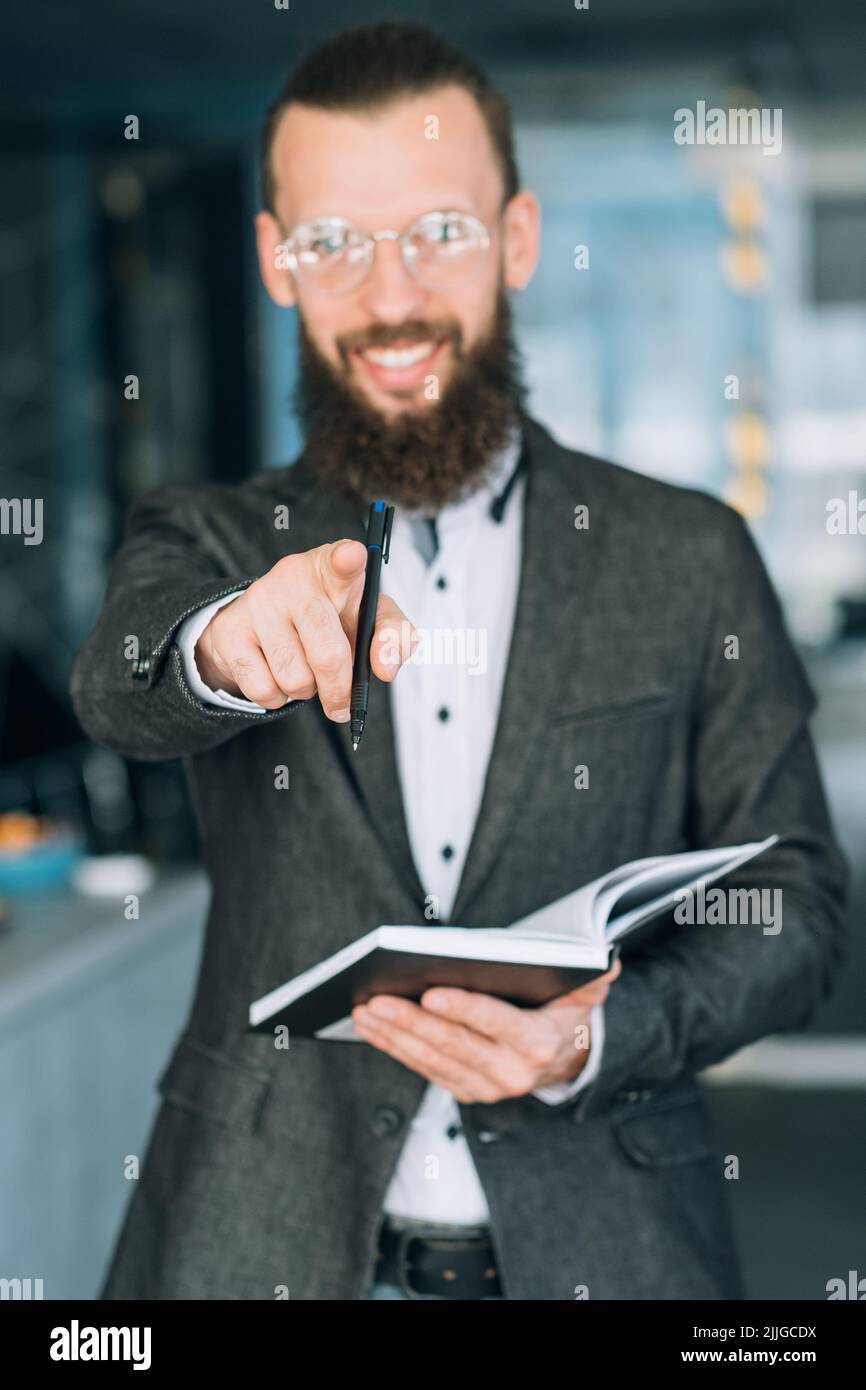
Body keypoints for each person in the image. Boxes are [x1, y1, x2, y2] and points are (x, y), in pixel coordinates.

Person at [71, 21, 848, 1301]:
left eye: (439, 229)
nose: (389, 298)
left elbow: (795, 902)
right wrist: (224, 643)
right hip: (254, 1243)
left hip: (613, 1244)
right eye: (334, 242)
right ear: (275, 261)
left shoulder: (686, 553)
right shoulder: (206, 535)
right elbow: (123, 681)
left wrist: (601, 1033)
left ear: (519, 237)